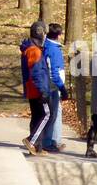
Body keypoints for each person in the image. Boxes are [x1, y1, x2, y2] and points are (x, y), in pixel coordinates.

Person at [32, 22, 68, 153]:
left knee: (54, 113)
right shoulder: (54, 50)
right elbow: (55, 72)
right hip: (53, 86)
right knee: (54, 114)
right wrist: (62, 88)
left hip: (50, 85)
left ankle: (53, 139)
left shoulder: (47, 46)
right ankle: (51, 141)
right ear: (59, 35)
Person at [19, 21, 51, 154]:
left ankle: (37, 147)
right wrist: (43, 91)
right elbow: (37, 72)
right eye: (44, 33)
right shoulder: (34, 51)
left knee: (37, 117)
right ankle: (31, 140)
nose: (45, 37)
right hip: (37, 90)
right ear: (40, 33)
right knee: (46, 114)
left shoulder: (31, 49)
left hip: (33, 89)